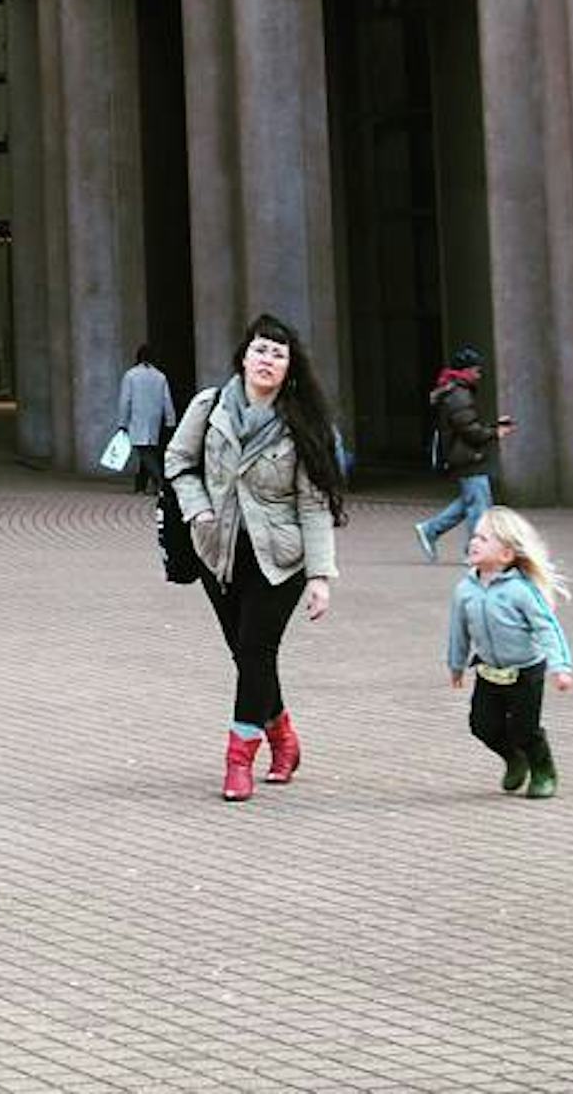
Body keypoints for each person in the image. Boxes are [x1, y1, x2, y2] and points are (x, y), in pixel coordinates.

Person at [164, 312, 346, 801]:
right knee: (247, 655)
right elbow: (178, 463)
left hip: (280, 558)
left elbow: (314, 503)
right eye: (260, 350)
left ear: (290, 368)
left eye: (278, 354)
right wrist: (197, 509)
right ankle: (284, 739)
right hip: (218, 551)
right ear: (243, 357)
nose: (268, 360)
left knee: (256, 651)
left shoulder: (300, 424)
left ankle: (238, 759)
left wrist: (321, 576)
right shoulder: (209, 407)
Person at [446, 505, 573, 799]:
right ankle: (514, 758)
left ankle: (542, 769)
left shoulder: (521, 591)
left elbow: (547, 628)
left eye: (484, 539)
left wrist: (560, 667)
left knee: (524, 729)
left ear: (505, 555)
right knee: (482, 725)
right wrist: (455, 665)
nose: (474, 542)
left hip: (525, 671)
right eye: (474, 536)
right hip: (489, 671)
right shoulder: (465, 590)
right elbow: (458, 630)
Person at [414, 345, 513, 561]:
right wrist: (495, 432)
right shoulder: (459, 394)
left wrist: (492, 428)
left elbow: (467, 425)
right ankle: (474, 552)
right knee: (479, 506)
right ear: (466, 371)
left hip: (464, 455)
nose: (479, 375)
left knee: (471, 501)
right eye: (476, 370)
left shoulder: (455, 391)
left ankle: (431, 530)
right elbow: (469, 431)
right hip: (467, 457)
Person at [115, 342, 177, 498]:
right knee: (149, 450)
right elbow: (167, 400)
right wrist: (171, 421)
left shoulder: (131, 375)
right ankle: (141, 486)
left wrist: (122, 422)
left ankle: (161, 481)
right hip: (154, 419)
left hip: (137, 418)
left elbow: (125, 400)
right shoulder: (160, 376)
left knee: (144, 452)